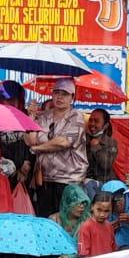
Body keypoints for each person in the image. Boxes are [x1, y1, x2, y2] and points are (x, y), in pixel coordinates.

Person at [30, 79, 88, 217]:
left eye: (65, 94)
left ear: (72, 97)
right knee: (45, 221)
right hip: (46, 179)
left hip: (69, 180)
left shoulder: (77, 117)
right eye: (56, 93)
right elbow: (31, 140)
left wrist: (38, 148)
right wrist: (31, 118)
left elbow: (63, 142)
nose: (59, 97)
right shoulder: (44, 116)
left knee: (66, 221)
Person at [84, 108, 118, 196]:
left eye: (96, 121)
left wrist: (96, 147)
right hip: (83, 184)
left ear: (105, 125)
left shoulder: (111, 142)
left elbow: (106, 165)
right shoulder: (83, 139)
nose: (92, 124)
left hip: (103, 186)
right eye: (90, 120)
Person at [77, 192, 117, 258]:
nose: (102, 214)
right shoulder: (86, 227)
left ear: (111, 210)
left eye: (106, 211)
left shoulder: (109, 226)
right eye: (99, 210)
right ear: (92, 207)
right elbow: (83, 254)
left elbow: (113, 248)